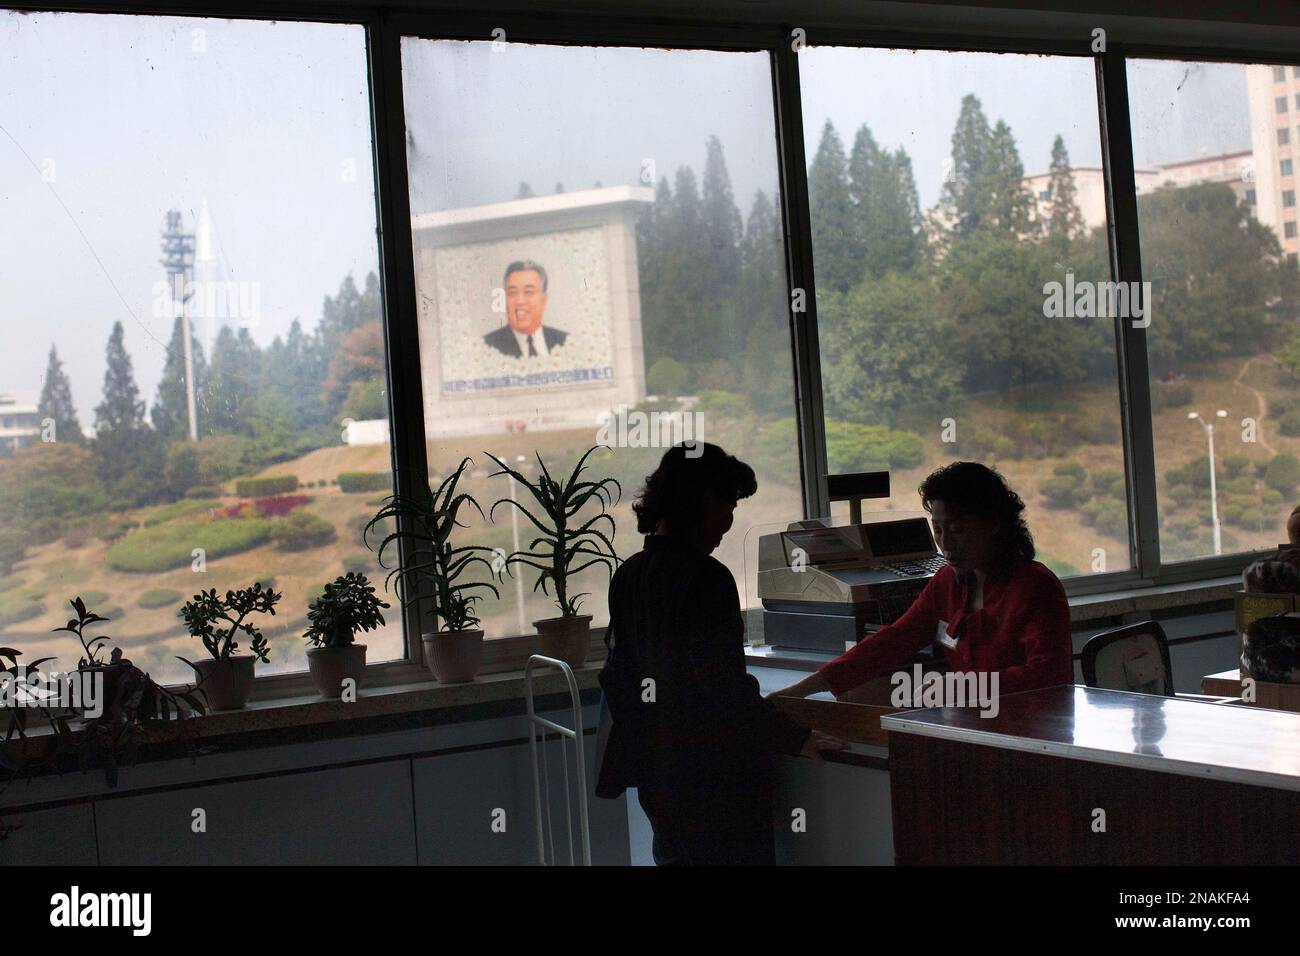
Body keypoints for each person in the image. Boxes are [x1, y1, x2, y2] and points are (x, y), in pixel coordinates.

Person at [595, 442, 844, 865]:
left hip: (659, 774)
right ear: (705, 501)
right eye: (728, 506)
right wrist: (794, 737)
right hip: (715, 778)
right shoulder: (707, 578)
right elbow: (722, 684)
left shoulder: (629, 575)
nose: (728, 524)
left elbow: (622, 673)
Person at [773, 461, 1073, 702]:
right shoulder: (948, 583)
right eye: (938, 530)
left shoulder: (1035, 586)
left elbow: (1050, 677)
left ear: (994, 524)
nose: (946, 543)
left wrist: (966, 686)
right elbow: (893, 640)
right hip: (969, 723)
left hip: (1029, 727)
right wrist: (805, 688)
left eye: (957, 529)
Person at [482, 259, 569, 358]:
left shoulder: (566, 343)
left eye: (528, 292)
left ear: (543, 300)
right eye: (512, 293)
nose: (520, 301)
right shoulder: (487, 348)